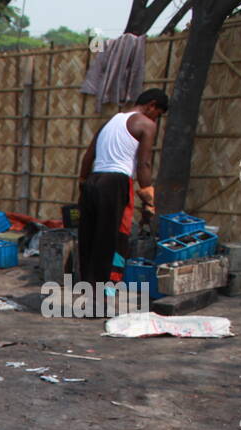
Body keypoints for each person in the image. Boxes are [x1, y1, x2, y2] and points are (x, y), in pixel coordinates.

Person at [77, 88, 168, 288]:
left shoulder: (109, 122)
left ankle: (87, 288)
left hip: (93, 180)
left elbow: (88, 156)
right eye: (158, 114)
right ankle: (101, 297)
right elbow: (144, 164)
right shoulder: (146, 124)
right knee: (111, 240)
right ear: (152, 106)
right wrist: (148, 201)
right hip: (115, 183)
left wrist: (83, 184)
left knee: (89, 239)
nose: (156, 119)